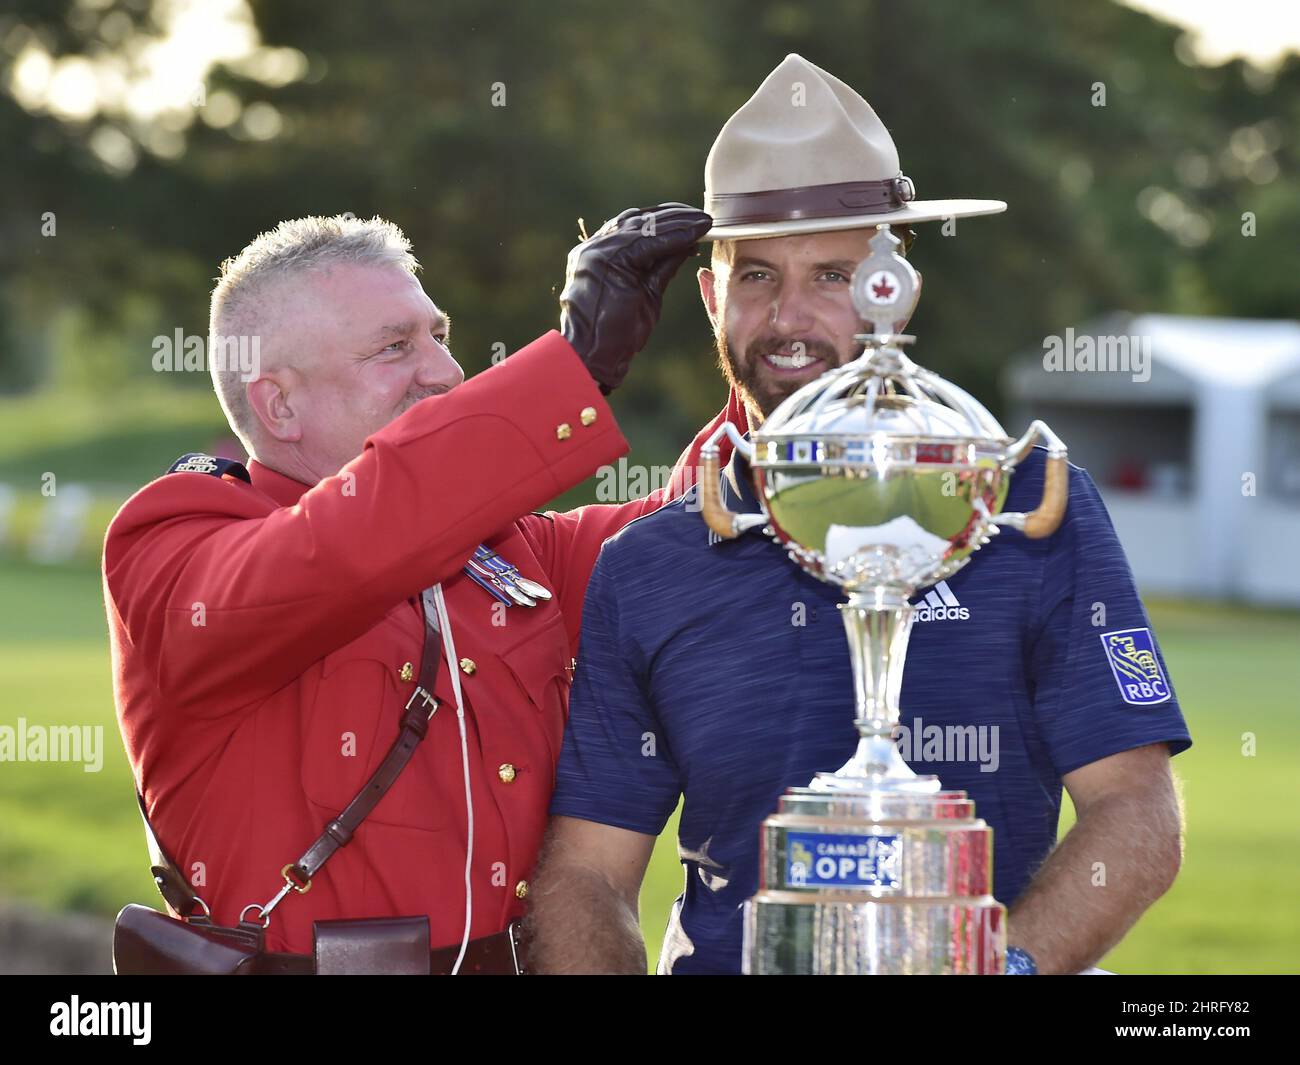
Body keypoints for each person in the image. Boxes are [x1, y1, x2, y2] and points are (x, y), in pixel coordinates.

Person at [527, 55, 1190, 975]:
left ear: (892, 285)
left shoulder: (1021, 495)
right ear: (713, 296)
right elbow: (587, 874)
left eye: (831, 274)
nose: (789, 317)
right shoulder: (650, 559)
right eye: (756, 276)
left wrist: (1007, 969)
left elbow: (1136, 811)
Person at [104, 204, 719, 972]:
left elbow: (707, 517)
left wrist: (777, 332)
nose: (446, 371)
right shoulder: (174, 539)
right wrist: (571, 366)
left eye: (440, 336)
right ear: (279, 404)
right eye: (395, 347)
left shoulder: (509, 548)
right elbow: (339, 548)